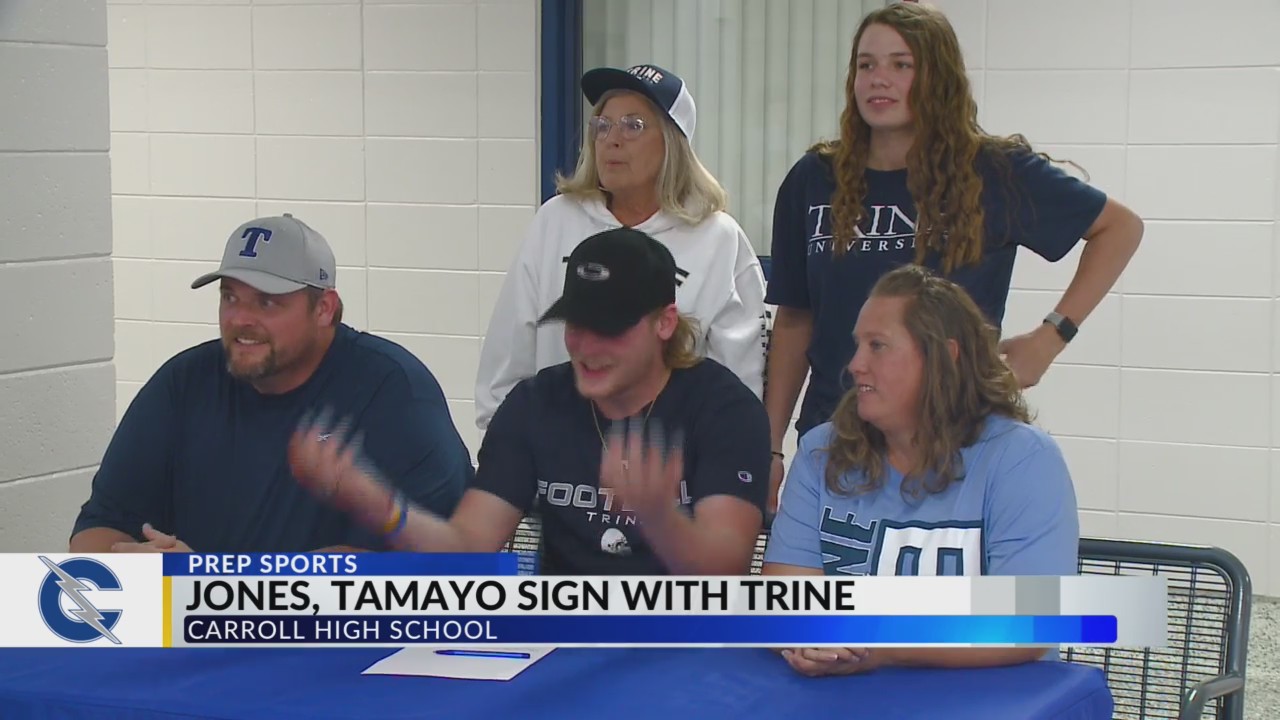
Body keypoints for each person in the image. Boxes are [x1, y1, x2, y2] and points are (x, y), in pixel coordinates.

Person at [763, 3, 1143, 510]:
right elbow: (795, 319)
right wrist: (769, 447)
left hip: (957, 442)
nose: (879, 79)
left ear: (936, 76)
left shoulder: (993, 171)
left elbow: (1120, 228)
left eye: (901, 64)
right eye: (866, 64)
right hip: (840, 440)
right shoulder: (814, 179)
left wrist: (1052, 335)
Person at [290, 228, 771, 575]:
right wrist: (381, 506)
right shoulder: (536, 403)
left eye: (610, 329)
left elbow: (726, 571)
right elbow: (470, 546)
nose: (586, 347)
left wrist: (658, 517)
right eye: (577, 326)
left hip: (686, 643)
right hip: (562, 640)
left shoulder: (724, 410)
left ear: (664, 323)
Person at [69, 214, 474, 554]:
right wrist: (130, 569)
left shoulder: (393, 391)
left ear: (324, 308)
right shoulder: (184, 383)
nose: (240, 319)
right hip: (193, 621)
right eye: (230, 297)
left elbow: (440, 567)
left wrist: (211, 585)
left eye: (266, 302)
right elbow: (98, 527)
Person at [763, 264, 1079, 676]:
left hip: (987, 699)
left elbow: (1029, 625)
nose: (855, 364)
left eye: (878, 346)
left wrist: (880, 648)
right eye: (858, 345)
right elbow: (784, 600)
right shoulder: (821, 450)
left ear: (943, 357)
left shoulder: (1022, 459)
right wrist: (812, 643)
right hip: (845, 696)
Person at [475, 62, 768, 431]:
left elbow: (740, 386)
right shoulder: (556, 220)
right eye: (603, 125)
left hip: (671, 456)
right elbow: (508, 355)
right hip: (558, 450)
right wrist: (506, 446)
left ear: (672, 141)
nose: (612, 139)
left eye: (633, 125)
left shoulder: (718, 239)